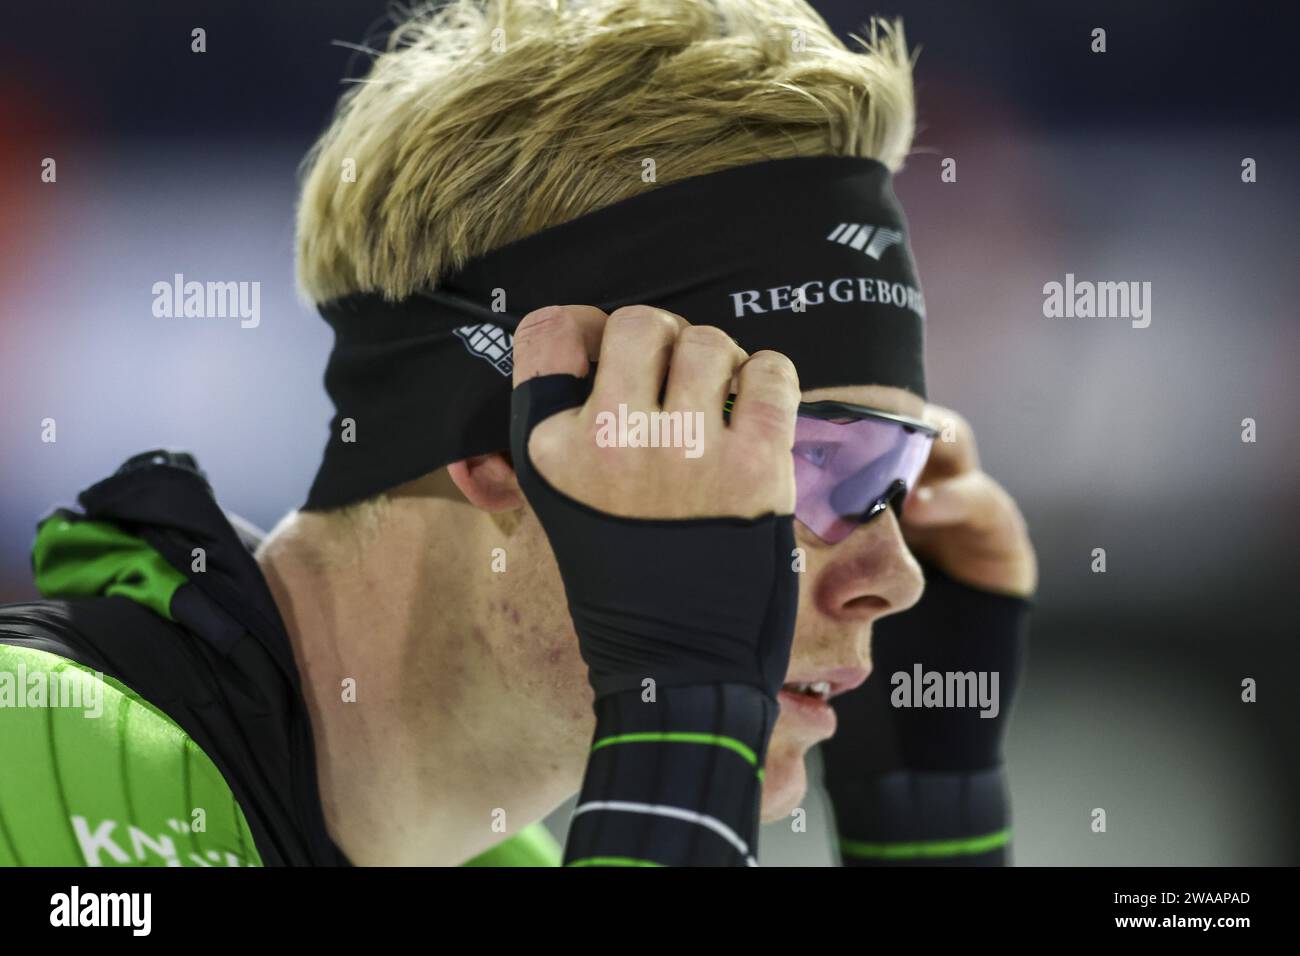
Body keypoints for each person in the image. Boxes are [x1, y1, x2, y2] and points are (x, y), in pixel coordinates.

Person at [0, 0, 1034, 867]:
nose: (894, 574)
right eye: (798, 455)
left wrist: (924, 827)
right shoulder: (29, 745)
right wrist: (681, 714)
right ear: (498, 444)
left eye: (889, 473)